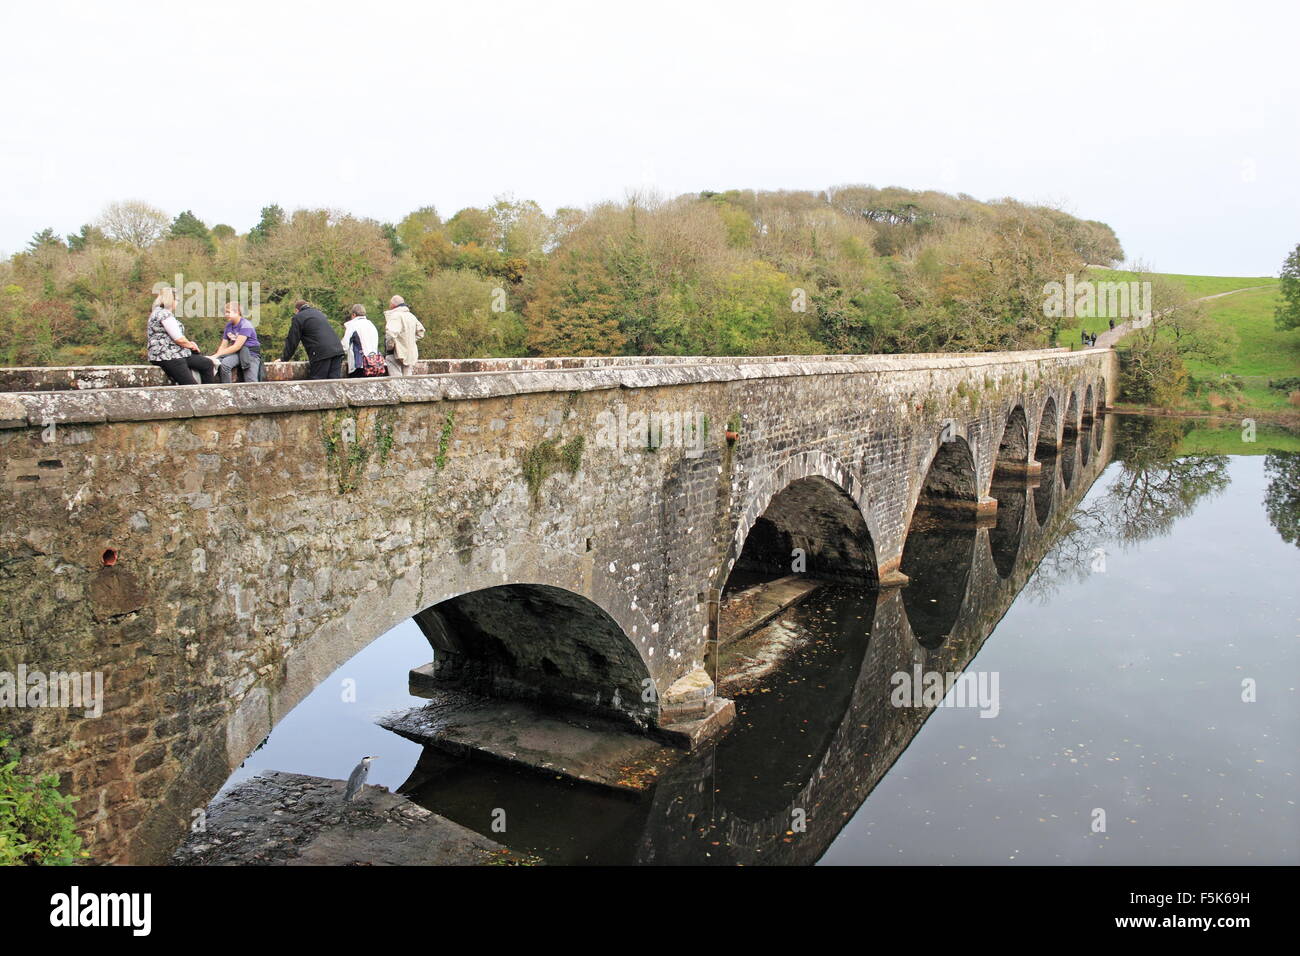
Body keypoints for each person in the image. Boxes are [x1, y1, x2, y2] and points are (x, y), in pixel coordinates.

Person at [146, 287, 217, 385]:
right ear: (172, 300)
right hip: (168, 356)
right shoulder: (164, 315)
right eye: (177, 300)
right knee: (191, 386)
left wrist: (189, 344)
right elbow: (179, 339)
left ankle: (208, 390)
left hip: (177, 353)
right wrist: (191, 345)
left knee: (207, 364)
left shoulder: (161, 313)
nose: (178, 303)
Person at [278, 299, 344, 379]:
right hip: (337, 350)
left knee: (317, 383)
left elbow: (292, 341)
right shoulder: (319, 313)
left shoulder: (298, 317)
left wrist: (284, 359)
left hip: (321, 352)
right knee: (334, 383)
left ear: (296, 310)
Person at [209, 301, 263, 383]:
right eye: (225, 312)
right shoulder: (228, 326)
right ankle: (227, 389)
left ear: (237, 312)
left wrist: (217, 355)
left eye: (228, 312)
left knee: (250, 381)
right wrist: (216, 356)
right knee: (224, 364)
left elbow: (237, 346)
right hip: (237, 353)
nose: (226, 315)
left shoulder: (246, 325)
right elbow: (223, 346)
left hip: (250, 354)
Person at [383, 295, 425, 376]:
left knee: (396, 380)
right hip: (410, 352)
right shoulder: (411, 316)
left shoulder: (395, 315)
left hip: (396, 352)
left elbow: (390, 334)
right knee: (407, 380)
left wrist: (390, 346)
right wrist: (410, 340)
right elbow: (420, 332)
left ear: (393, 305)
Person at [341, 304, 382, 378]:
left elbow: (344, 346)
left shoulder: (352, 325)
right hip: (375, 363)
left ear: (353, 314)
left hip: (359, 364)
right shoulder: (371, 325)